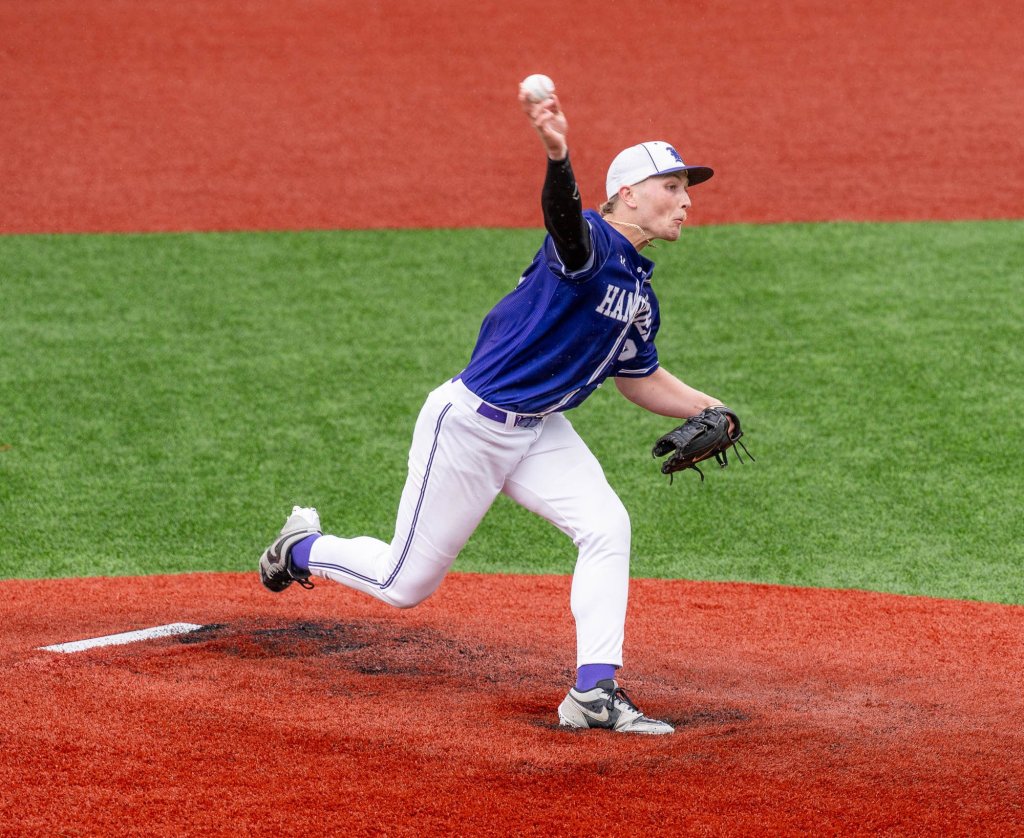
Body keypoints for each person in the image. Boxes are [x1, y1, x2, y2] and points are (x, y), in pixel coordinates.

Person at [259, 84, 734, 735]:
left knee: (606, 526)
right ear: (628, 194)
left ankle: (594, 691)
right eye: (672, 186)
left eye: (688, 189)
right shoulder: (591, 244)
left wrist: (715, 407)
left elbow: (639, 379)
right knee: (405, 584)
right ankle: (302, 546)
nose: (687, 201)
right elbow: (564, 217)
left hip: (540, 430)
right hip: (470, 426)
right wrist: (557, 153)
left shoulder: (640, 293)